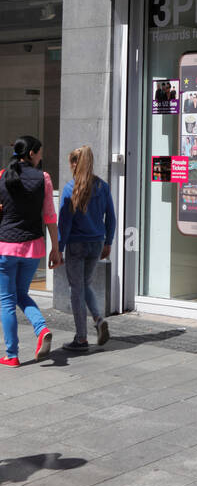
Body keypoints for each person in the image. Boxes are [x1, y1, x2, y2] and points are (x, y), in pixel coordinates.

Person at [0, 135, 60, 366]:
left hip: (6, 246)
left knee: (7, 301)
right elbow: (50, 216)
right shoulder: (43, 178)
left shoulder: (3, 176)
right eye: (41, 151)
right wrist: (55, 247)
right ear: (32, 153)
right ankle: (41, 328)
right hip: (33, 247)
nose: (42, 155)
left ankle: (12, 355)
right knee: (21, 294)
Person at [57, 146, 115, 352]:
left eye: (71, 162)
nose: (71, 167)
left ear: (75, 163)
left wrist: (59, 248)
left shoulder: (70, 188)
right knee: (86, 284)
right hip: (97, 242)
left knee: (76, 289)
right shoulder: (103, 186)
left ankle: (81, 339)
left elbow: (64, 223)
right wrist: (108, 241)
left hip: (76, 244)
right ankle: (98, 320)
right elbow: (111, 217)